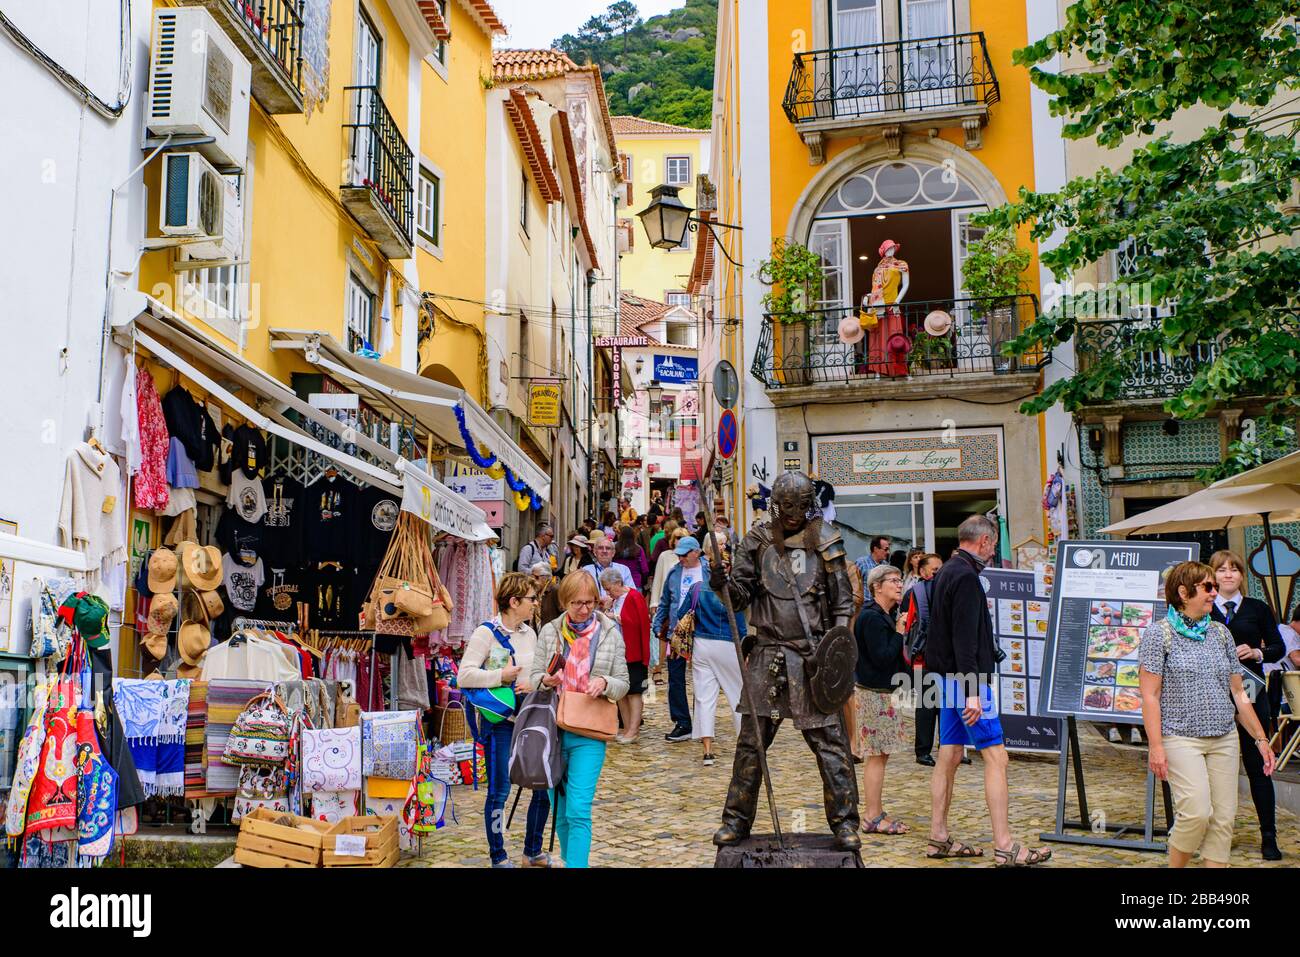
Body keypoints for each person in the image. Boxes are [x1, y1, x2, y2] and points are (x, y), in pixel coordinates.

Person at [711, 472, 861, 851]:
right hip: (767, 654)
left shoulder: (826, 540)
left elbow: (843, 604)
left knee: (830, 745)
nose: (793, 515)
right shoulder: (758, 541)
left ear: (809, 503)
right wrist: (723, 584)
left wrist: (834, 656)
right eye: (787, 506)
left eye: (800, 506)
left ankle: (845, 823)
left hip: (811, 659)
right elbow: (741, 595)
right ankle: (736, 820)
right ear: (776, 504)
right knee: (751, 745)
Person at [926, 515, 1050, 866]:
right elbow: (964, 638)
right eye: (993, 545)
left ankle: (938, 837)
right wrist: (973, 691)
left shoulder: (946, 571)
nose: (993, 552)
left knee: (948, 755)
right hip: (965, 682)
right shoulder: (965, 577)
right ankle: (1005, 845)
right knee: (997, 757)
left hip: (945, 680)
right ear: (983, 542)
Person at [1141, 560, 1276, 868]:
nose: (1215, 592)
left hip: (1224, 738)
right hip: (1179, 737)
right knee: (1197, 813)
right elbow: (1149, 695)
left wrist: (1260, 738)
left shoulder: (1221, 634)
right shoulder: (1158, 635)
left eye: (1214, 586)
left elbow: (1239, 694)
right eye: (1208, 587)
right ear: (1183, 592)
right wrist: (1156, 746)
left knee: (1224, 818)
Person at [531, 571, 629, 868]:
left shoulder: (609, 631)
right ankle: (571, 860)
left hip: (589, 731)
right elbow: (533, 677)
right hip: (553, 731)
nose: (584, 609)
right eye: (576, 603)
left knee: (578, 809)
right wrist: (546, 680)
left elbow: (624, 682)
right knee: (559, 810)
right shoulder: (550, 631)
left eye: (589, 602)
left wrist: (604, 682)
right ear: (564, 603)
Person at [458, 572, 550, 867]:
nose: (536, 604)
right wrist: (501, 676)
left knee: (541, 787)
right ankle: (498, 856)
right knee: (499, 792)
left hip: (530, 717)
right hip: (500, 723)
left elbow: (533, 673)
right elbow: (465, 675)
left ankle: (532, 851)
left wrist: (536, 683)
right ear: (514, 601)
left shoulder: (530, 632)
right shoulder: (485, 633)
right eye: (532, 599)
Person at [1208, 549, 1286, 860]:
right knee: (1216, 769)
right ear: (1212, 576)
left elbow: (1278, 647)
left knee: (1258, 767)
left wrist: (1255, 652)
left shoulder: (1257, 608)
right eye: (1221, 569)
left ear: (1242, 575)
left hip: (1251, 695)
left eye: (1234, 569)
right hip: (1212, 696)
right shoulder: (1202, 608)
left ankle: (1269, 835)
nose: (1228, 574)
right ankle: (1216, 834)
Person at [854, 564, 911, 834]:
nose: (899, 584)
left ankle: (874, 811)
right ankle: (872, 816)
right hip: (875, 695)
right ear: (877, 586)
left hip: (883, 693)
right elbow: (883, 657)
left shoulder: (884, 615)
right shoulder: (872, 618)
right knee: (876, 756)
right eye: (894, 580)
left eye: (900, 580)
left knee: (880, 755)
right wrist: (899, 633)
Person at [651, 535, 705, 743]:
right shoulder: (674, 573)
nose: (681, 558)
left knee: (702, 678)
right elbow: (665, 601)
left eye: (684, 554)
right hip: (677, 631)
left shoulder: (708, 571)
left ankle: (702, 722)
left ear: (696, 552)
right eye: (679, 555)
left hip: (702, 629)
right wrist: (658, 625)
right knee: (675, 678)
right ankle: (682, 722)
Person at [903, 553, 950, 767]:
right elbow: (912, 626)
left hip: (944, 655)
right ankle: (923, 751)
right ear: (922, 572)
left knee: (947, 704)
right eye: (935, 569)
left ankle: (948, 747)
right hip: (923, 656)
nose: (939, 572)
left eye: (942, 568)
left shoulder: (945, 589)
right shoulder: (915, 593)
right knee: (927, 705)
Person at [601, 568, 650, 743]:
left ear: (617, 583)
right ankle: (626, 727)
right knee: (620, 691)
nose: (607, 592)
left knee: (635, 691)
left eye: (608, 588)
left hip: (633, 651)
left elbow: (641, 623)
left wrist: (615, 617)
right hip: (618, 652)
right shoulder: (614, 601)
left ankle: (634, 729)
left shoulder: (634, 597)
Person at [649, 527, 689, 684]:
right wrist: (654, 602)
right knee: (663, 637)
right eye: (677, 537)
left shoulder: (690, 560)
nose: (679, 540)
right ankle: (657, 669)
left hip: (685, 606)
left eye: (682, 537)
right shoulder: (665, 556)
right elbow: (658, 578)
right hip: (666, 603)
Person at [582, 536, 634, 605]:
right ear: (595, 552)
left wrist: (612, 600)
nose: (604, 551)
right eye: (600, 548)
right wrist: (599, 600)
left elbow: (631, 593)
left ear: (613, 553)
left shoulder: (624, 570)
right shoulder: (586, 571)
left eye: (608, 548)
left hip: (618, 612)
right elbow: (581, 594)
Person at [613, 524, 651, 593]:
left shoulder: (614, 548)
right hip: (635, 583)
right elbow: (644, 569)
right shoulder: (638, 549)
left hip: (617, 582)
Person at [530, 562, 563, 631]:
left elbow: (564, 614)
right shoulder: (535, 592)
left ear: (546, 578)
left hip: (552, 636)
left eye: (536, 577)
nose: (533, 580)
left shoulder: (556, 590)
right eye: (531, 576)